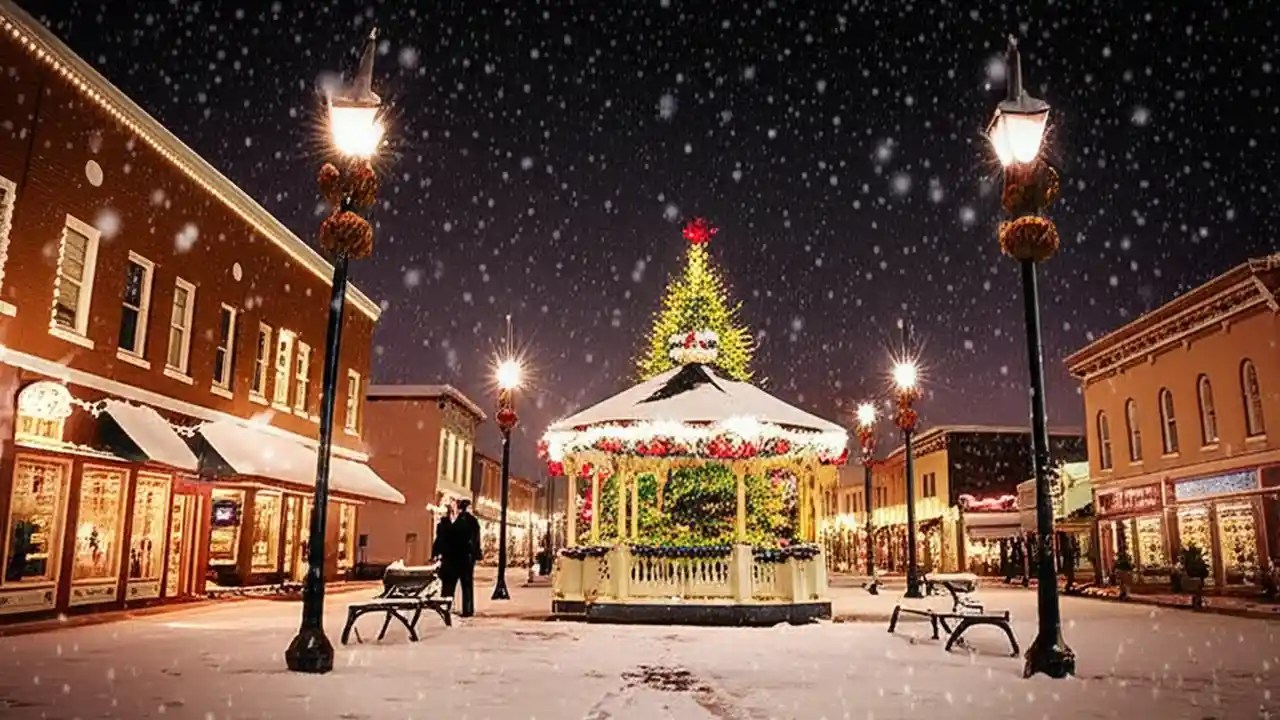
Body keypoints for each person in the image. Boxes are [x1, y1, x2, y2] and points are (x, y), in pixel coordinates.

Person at [447, 498, 482, 617]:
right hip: (467, 557)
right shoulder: (473, 521)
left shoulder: (457, 522)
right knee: (467, 584)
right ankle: (468, 609)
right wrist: (475, 553)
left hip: (457, 557)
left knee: (452, 583)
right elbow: (476, 540)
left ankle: (449, 607)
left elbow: (451, 539)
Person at [432, 501, 456, 598]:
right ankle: (448, 597)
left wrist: (435, 553)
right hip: (451, 557)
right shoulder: (452, 527)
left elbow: (438, 540)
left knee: (445, 578)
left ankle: (445, 596)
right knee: (450, 580)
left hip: (445, 556)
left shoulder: (441, 526)